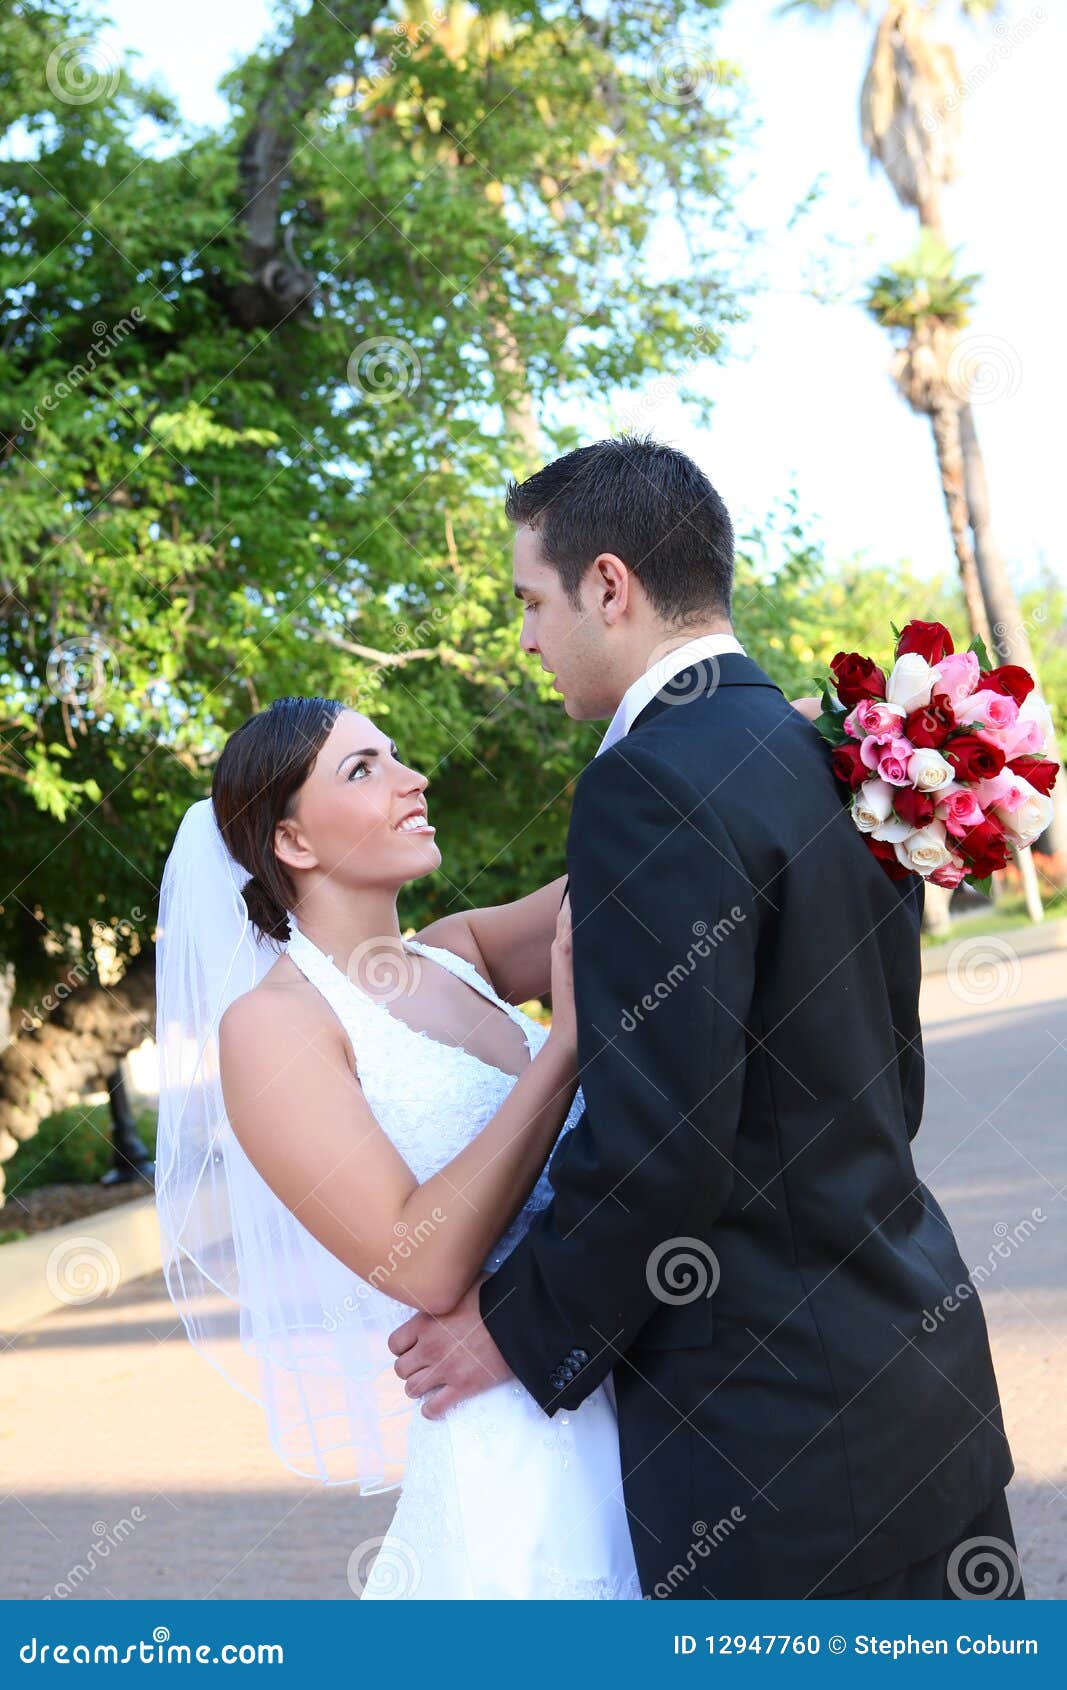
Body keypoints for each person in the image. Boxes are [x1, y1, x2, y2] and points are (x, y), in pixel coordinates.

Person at [387, 436, 1022, 1601]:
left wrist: (514, 1332)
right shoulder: (825, 754)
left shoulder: (648, 780)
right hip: (914, 1385)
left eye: (531, 600)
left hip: (778, 1446)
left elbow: (659, 1146)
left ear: (609, 586)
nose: (524, 636)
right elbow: (886, 1081)